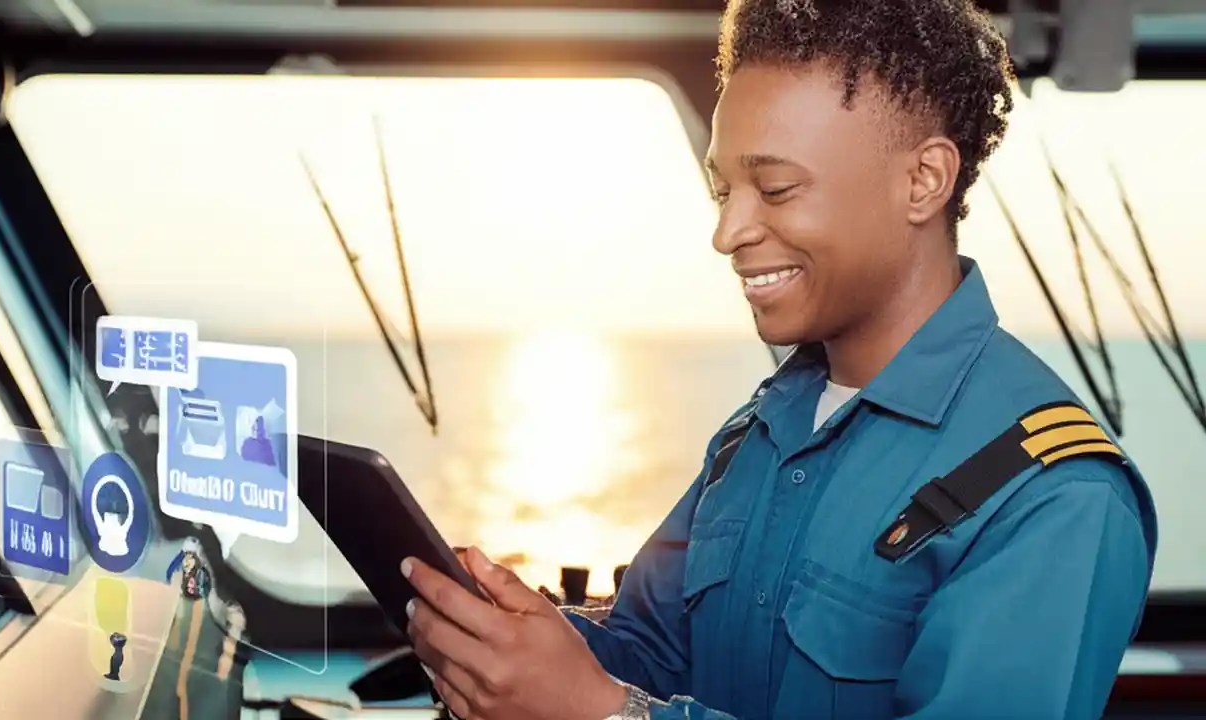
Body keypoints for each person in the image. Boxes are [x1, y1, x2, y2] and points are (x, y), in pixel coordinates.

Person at [400, 0, 1158, 718]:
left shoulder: (1052, 494)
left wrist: (602, 713)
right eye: (722, 191)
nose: (728, 233)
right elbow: (648, 659)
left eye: (776, 188)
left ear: (923, 181)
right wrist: (504, 643)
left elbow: (611, 704)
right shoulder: (755, 435)